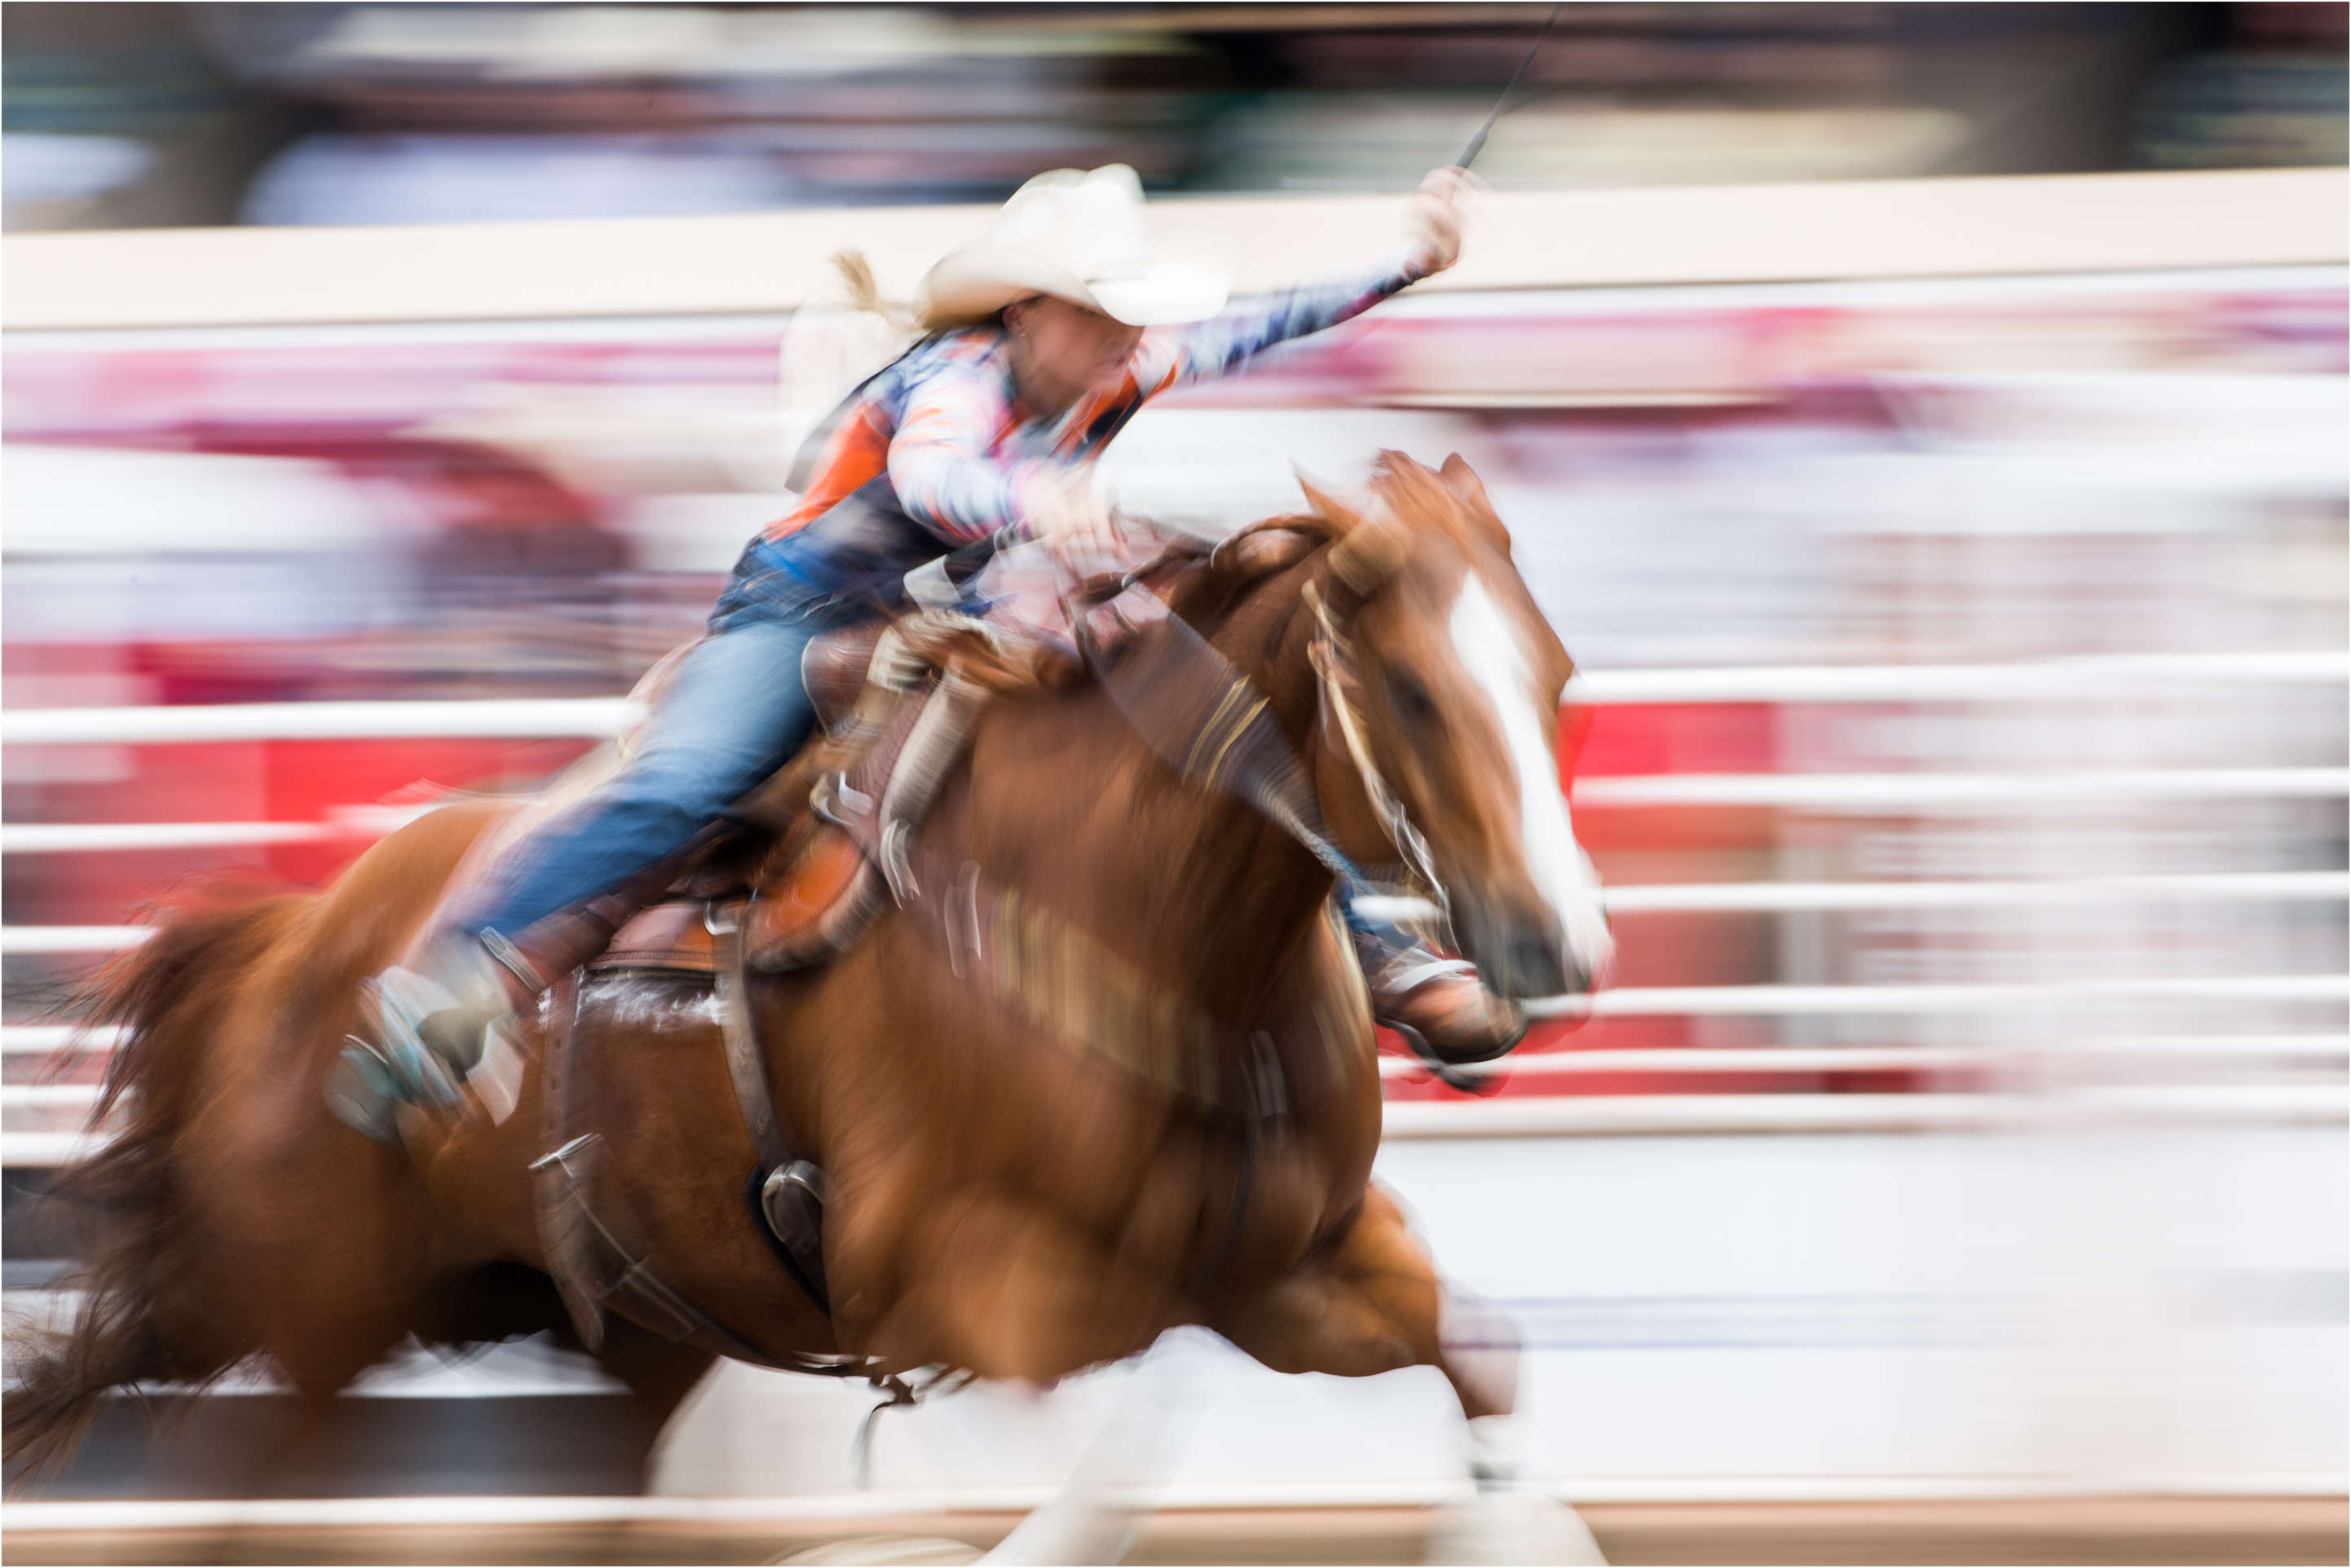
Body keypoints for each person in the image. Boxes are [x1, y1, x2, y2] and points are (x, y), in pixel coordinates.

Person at [329, 163, 1523, 1143]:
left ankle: (1377, 940)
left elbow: (1264, 322)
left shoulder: (1116, 365)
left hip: (980, 599)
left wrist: (1405, 262)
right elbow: (932, 475)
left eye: (1127, 311)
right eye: (1098, 309)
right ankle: (446, 976)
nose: (1125, 334)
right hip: (802, 613)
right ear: (1024, 314)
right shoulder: (951, 380)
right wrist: (1035, 503)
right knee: (690, 780)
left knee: (1215, 709)